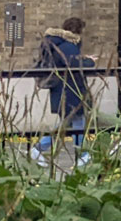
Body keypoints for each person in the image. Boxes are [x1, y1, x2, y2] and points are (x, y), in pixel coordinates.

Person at [33, 17, 93, 164]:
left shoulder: (58, 43)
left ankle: (38, 148)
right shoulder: (68, 45)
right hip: (70, 91)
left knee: (66, 124)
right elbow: (74, 64)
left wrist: (82, 58)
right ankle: (82, 155)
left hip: (62, 90)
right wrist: (90, 61)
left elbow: (68, 61)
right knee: (78, 122)